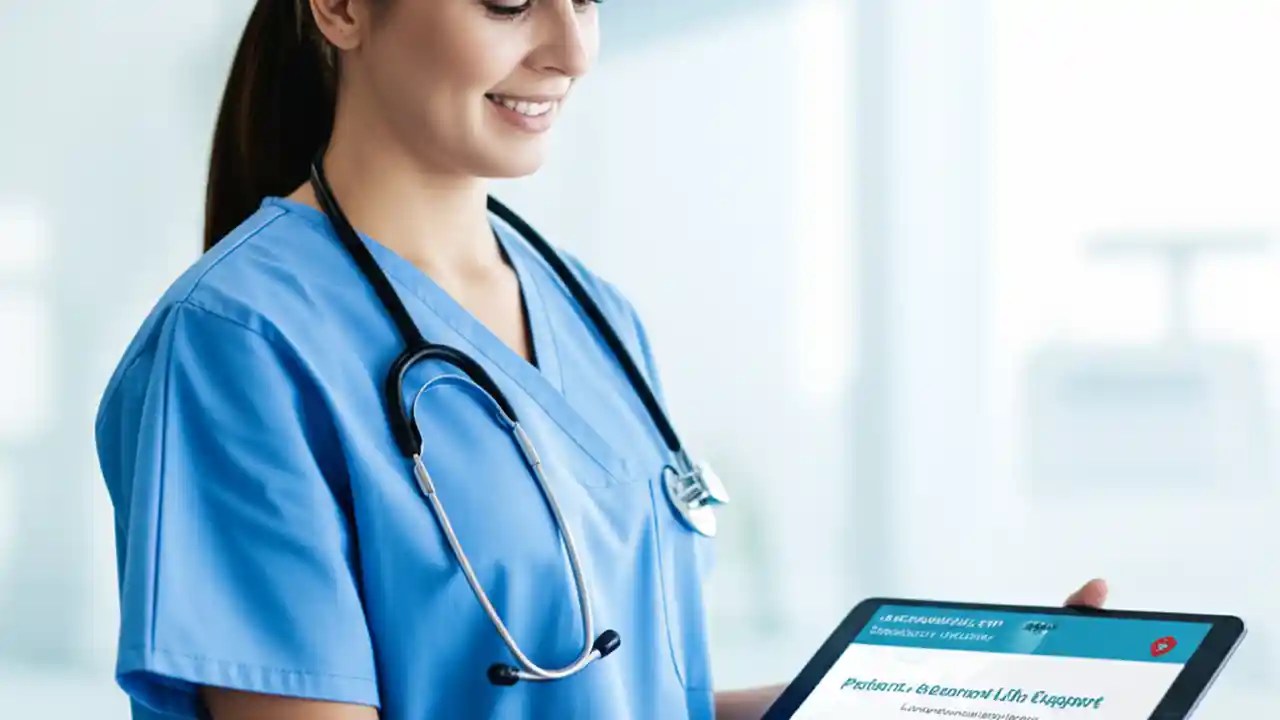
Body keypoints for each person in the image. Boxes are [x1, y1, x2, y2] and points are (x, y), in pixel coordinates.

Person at [93, 1, 1109, 718]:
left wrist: (950, 701)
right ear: (342, 7)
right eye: (508, 2)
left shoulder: (595, 313)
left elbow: (620, 697)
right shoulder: (238, 345)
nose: (571, 50)